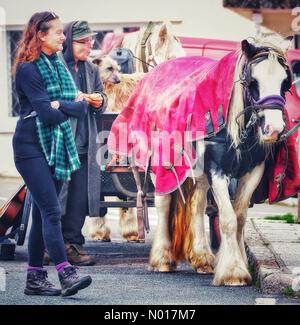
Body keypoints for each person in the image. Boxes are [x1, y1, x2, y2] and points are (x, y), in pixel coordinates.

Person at [12, 11, 92, 296]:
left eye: (63, 32)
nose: (63, 37)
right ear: (41, 35)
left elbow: (82, 107)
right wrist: (60, 105)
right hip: (29, 149)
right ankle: (65, 272)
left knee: (42, 213)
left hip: (55, 147)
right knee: (52, 210)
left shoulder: (58, 65)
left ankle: (34, 278)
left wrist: (60, 103)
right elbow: (46, 114)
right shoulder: (28, 69)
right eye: (58, 32)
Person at [57, 20, 108, 266]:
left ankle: (73, 244)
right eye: (83, 41)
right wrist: (76, 100)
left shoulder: (91, 70)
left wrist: (100, 100)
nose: (89, 46)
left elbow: (101, 98)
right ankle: (52, 246)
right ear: (68, 41)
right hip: (59, 143)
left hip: (85, 144)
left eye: (91, 41)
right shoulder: (56, 66)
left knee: (78, 198)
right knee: (58, 197)